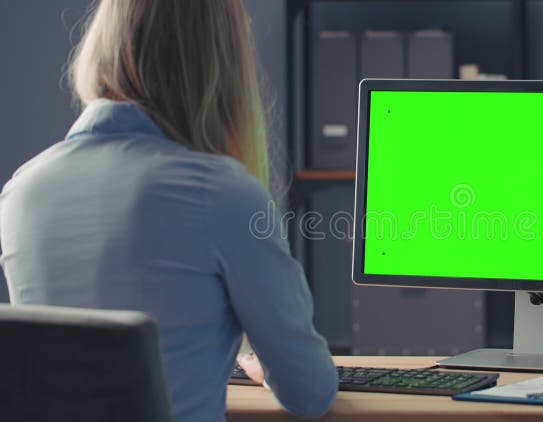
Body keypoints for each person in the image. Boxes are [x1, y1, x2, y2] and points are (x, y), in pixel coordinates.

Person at [0, 0, 337, 420]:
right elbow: (309, 391)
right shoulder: (221, 194)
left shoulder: (23, 191)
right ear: (217, 62)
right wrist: (261, 362)